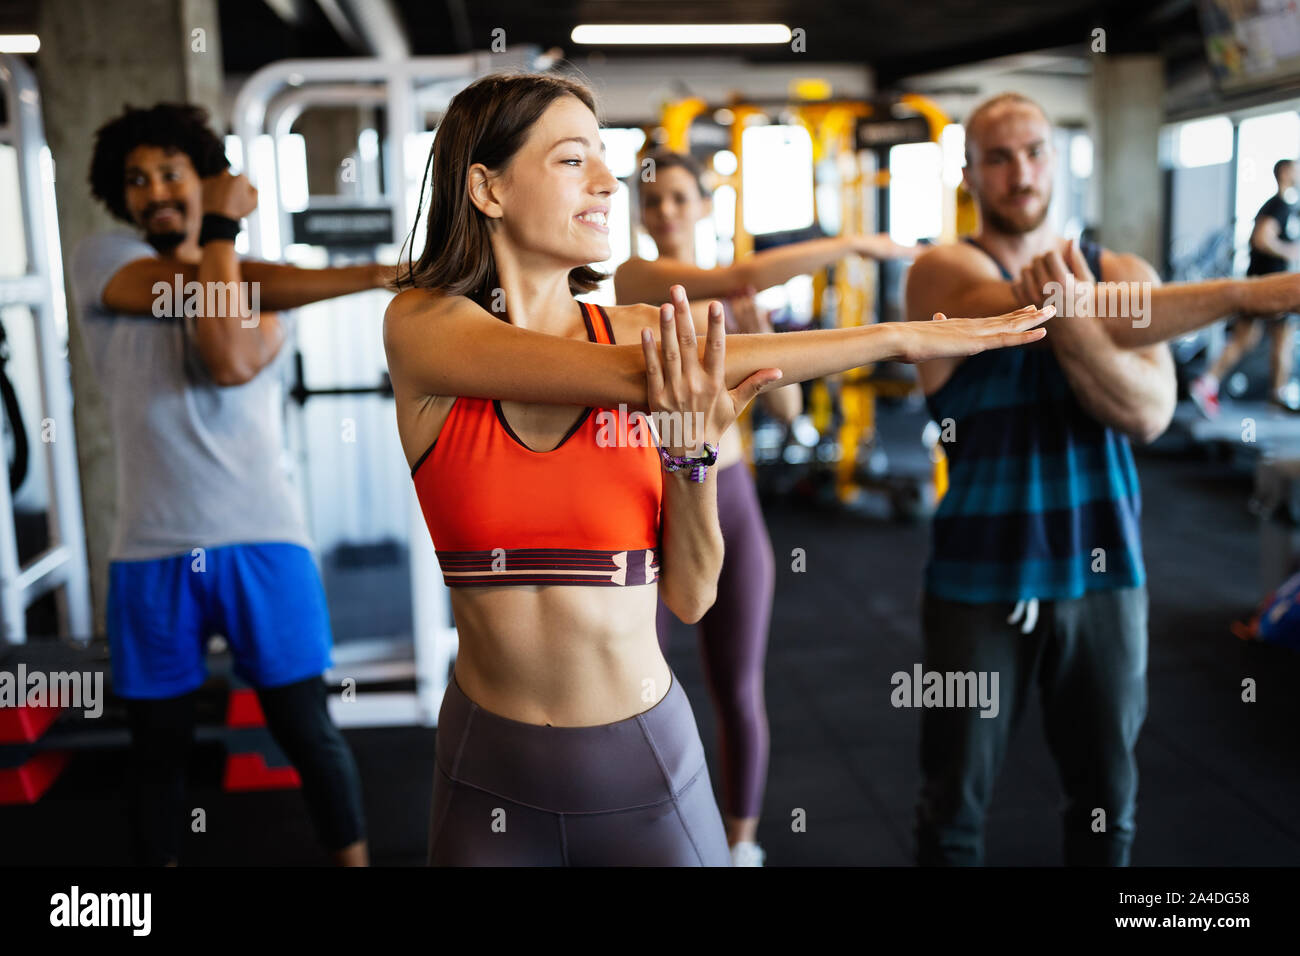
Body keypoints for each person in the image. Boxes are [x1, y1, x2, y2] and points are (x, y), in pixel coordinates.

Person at [382, 70, 1053, 867]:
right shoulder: (423, 328)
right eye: (572, 161)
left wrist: (691, 455)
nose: (608, 181)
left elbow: (693, 598)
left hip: (641, 770)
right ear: (487, 188)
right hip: (483, 777)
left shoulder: (640, 330)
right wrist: (899, 338)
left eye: (606, 159)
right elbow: (650, 370)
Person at [69, 102, 388, 866]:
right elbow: (211, 307)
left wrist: (382, 274)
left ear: (203, 175)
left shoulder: (256, 279)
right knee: (159, 749)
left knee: (308, 730)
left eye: (170, 173)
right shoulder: (103, 260)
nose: (154, 192)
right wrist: (221, 229)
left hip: (263, 539)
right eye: (137, 180)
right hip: (151, 547)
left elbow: (228, 357)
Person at [613, 149, 912, 866]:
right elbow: (732, 276)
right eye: (655, 202)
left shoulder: (733, 296)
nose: (666, 213)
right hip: (647, 499)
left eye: (681, 200)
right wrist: (847, 244)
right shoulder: (633, 280)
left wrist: (757, 334)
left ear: (705, 206)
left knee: (738, 686)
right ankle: (639, 834)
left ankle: (742, 847)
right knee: (633, 689)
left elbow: (781, 408)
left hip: (731, 494)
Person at [1191, 158, 1300, 417]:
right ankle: (1208, 382)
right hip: (1267, 285)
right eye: (1296, 168)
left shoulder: (1287, 207)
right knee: (1249, 338)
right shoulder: (1278, 205)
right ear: (1285, 173)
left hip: (1271, 284)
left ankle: (1276, 396)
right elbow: (1261, 239)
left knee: (1278, 339)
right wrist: (1290, 252)